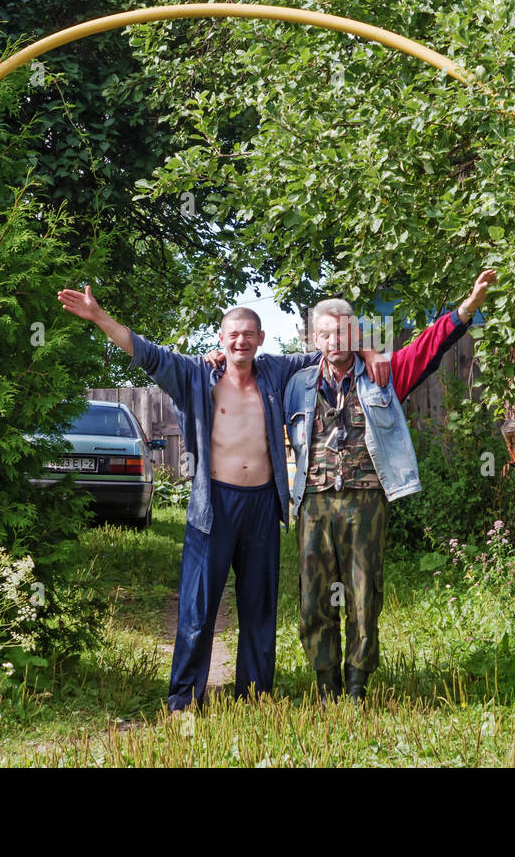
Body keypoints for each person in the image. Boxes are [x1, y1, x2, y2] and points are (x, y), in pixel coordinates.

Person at [56, 285, 388, 712]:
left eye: (249, 334)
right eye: (233, 334)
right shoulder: (195, 374)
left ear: (261, 339)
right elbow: (147, 353)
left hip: (263, 507)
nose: (240, 341)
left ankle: (253, 696)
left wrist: (368, 353)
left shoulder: (276, 371)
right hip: (213, 507)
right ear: (220, 338)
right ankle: (183, 699)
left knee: (259, 609)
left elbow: (333, 353)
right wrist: (100, 318)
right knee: (197, 608)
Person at [284, 269, 497, 704]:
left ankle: (358, 683)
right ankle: (326, 684)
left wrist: (467, 307)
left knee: (364, 593)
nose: (333, 341)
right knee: (314, 596)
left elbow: (428, 348)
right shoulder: (296, 384)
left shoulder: (383, 373)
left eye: (342, 332)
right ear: (314, 339)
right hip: (314, 502)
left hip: (366, 499)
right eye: (324, 334)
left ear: (354, 333)